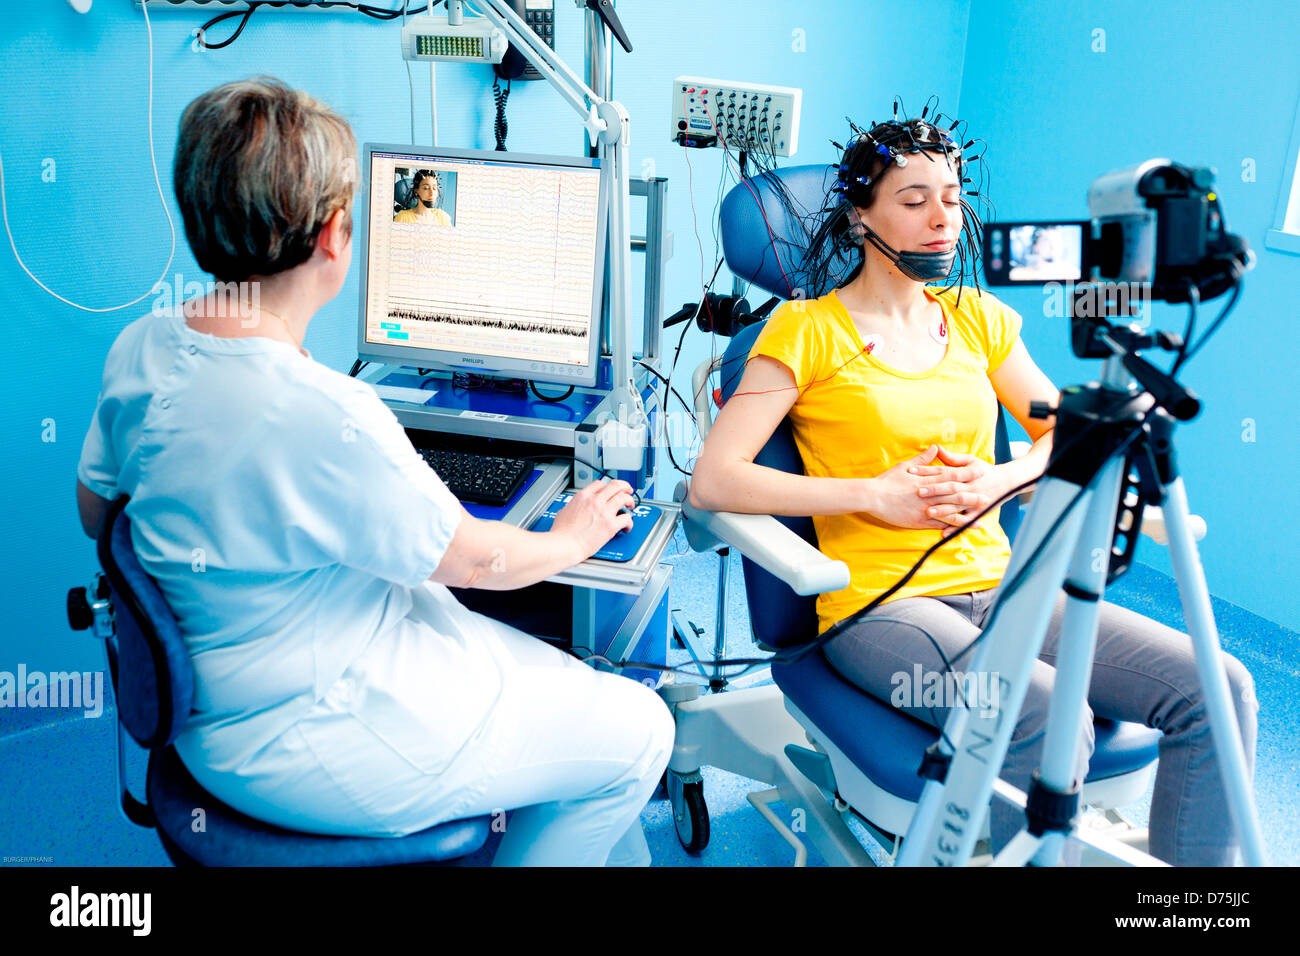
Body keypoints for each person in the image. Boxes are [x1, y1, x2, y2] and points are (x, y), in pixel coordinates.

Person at [74, 78, 673, 866]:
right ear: (334, 236)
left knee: (551, 681)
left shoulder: (143, 348)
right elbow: (480, 561)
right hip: (309, 741)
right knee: (641, 731)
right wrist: (571, 533)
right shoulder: (331, 415)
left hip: (213, 711)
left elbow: (99, 516)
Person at [688, 113, 1258, 866]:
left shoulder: (979, 319)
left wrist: (1005, 476)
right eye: (914, 198)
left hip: (1004, 587)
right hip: (882, 605)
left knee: (1220, 689)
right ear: (861, 217)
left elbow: (1063, 432)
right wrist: (873, 496)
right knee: (1045, 716)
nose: (941, 217)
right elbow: (713, 481)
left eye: (951, 197)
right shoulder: (805, 329)